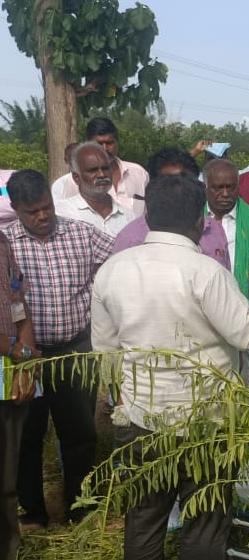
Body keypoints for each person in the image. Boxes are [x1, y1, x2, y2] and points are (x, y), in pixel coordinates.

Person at [91, 174, 249, 559]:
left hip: (142, 421)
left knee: (143, 520)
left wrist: (124, 406)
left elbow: (106, 354)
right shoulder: (205, 272)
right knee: (206, 523)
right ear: (199, 221)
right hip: (207, 423)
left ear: (148, 217)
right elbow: (247, 331)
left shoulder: (112, 271)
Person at [3, 170, 112, 527]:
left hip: (75, 350)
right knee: (27, 436)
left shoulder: (82, 234)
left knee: (79, 433)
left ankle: (79, 508)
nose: (43, 216)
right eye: (32, 211)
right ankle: (33, 512)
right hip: (23, 356)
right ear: (15, 208)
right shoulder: (6, 244)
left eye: (46, 207)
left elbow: (120, 260)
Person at [113, 150, 232, 269]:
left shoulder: (214, 229)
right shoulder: (131, 239)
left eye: (185, 182)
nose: (178, 189)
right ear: (153, 185)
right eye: (169, 183)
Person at [0, 230, 38, 559]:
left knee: (6, 480)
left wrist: (25, 361)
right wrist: (16, 350)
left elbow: (17, 303)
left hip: (7, 376)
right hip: (10, 356)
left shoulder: (2, 242)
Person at [50, 117, 149, 214]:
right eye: (99, 143)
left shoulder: (139, 174)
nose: (104, 149)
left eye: (109, 143)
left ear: (117, 143)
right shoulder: (73, 181)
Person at [204, 159, 249, 297]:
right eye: (218, 188)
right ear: (205, 187)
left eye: (230, 187)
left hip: (244, 304)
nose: (225, 194)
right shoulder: (192, 221)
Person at [55, 142, 136, 236]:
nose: (101, 175)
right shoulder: (61, 213)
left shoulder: (128, 216)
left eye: (105, 168)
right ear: (76, 178)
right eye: (92, 170)